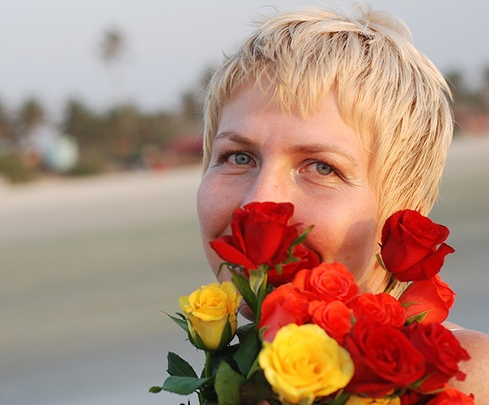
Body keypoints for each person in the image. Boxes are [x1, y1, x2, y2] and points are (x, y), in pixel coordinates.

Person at [195, 5, 488, 398]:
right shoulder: (242, 377)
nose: (258, 203)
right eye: (238, 157)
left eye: (321, 167)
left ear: (403, 207)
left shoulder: (464, 379)